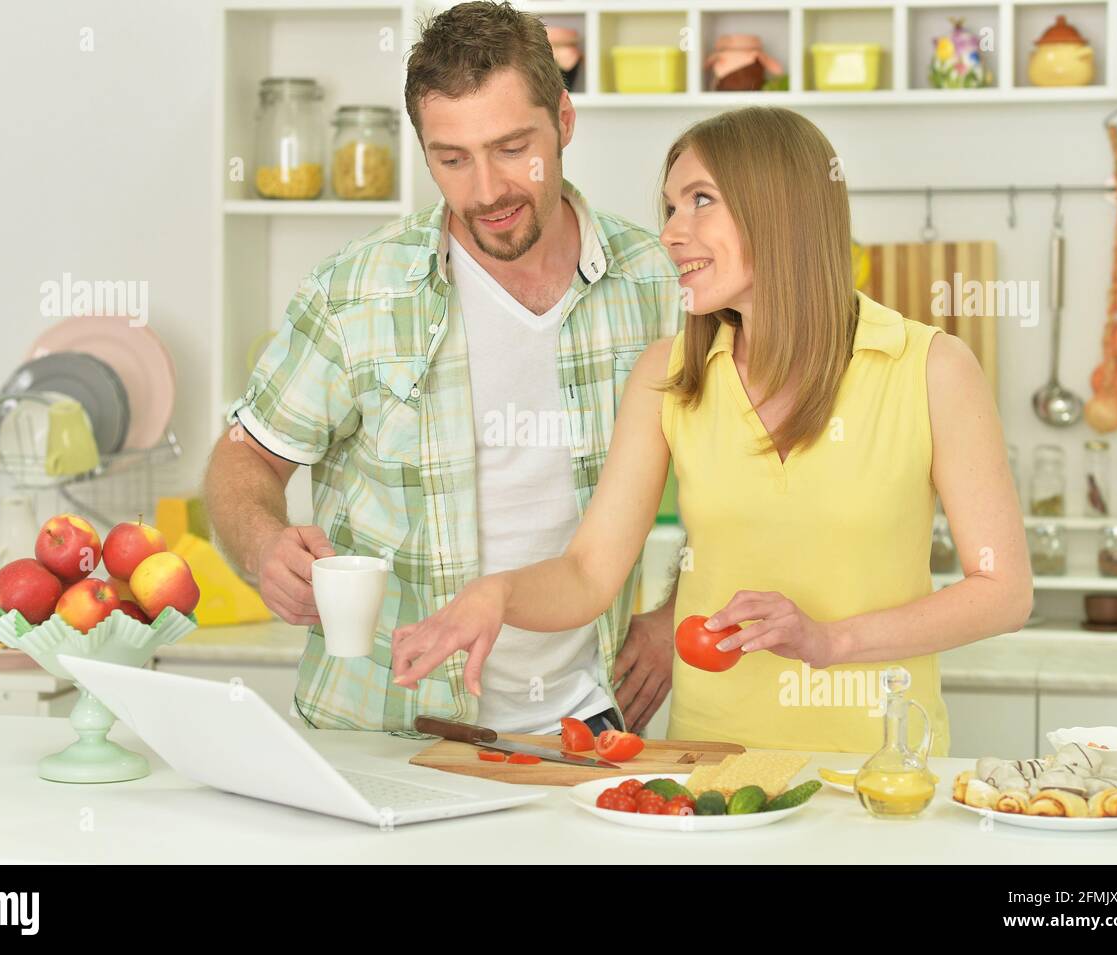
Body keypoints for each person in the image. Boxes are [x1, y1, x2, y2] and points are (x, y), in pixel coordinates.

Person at [390, 106, 1033, 756]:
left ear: (782, 207)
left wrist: (830, 641)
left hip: (883, 770)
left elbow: (1004, 591)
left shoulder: (931, 368)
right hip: (711, 769)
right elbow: (589, 571)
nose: (672, 233)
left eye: (701, 201)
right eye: (669, 208)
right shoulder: (669, 375)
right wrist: (495, 594)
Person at [204, 2, 684, 735]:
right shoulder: (355, 292)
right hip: (386, 724)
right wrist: (263, 543)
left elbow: (749, 476)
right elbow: (244, 458)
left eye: (511, 146)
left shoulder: (656, 283)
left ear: (564, 120)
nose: (486, 190)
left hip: (583, 725)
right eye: (452, 159)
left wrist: (675, 613)